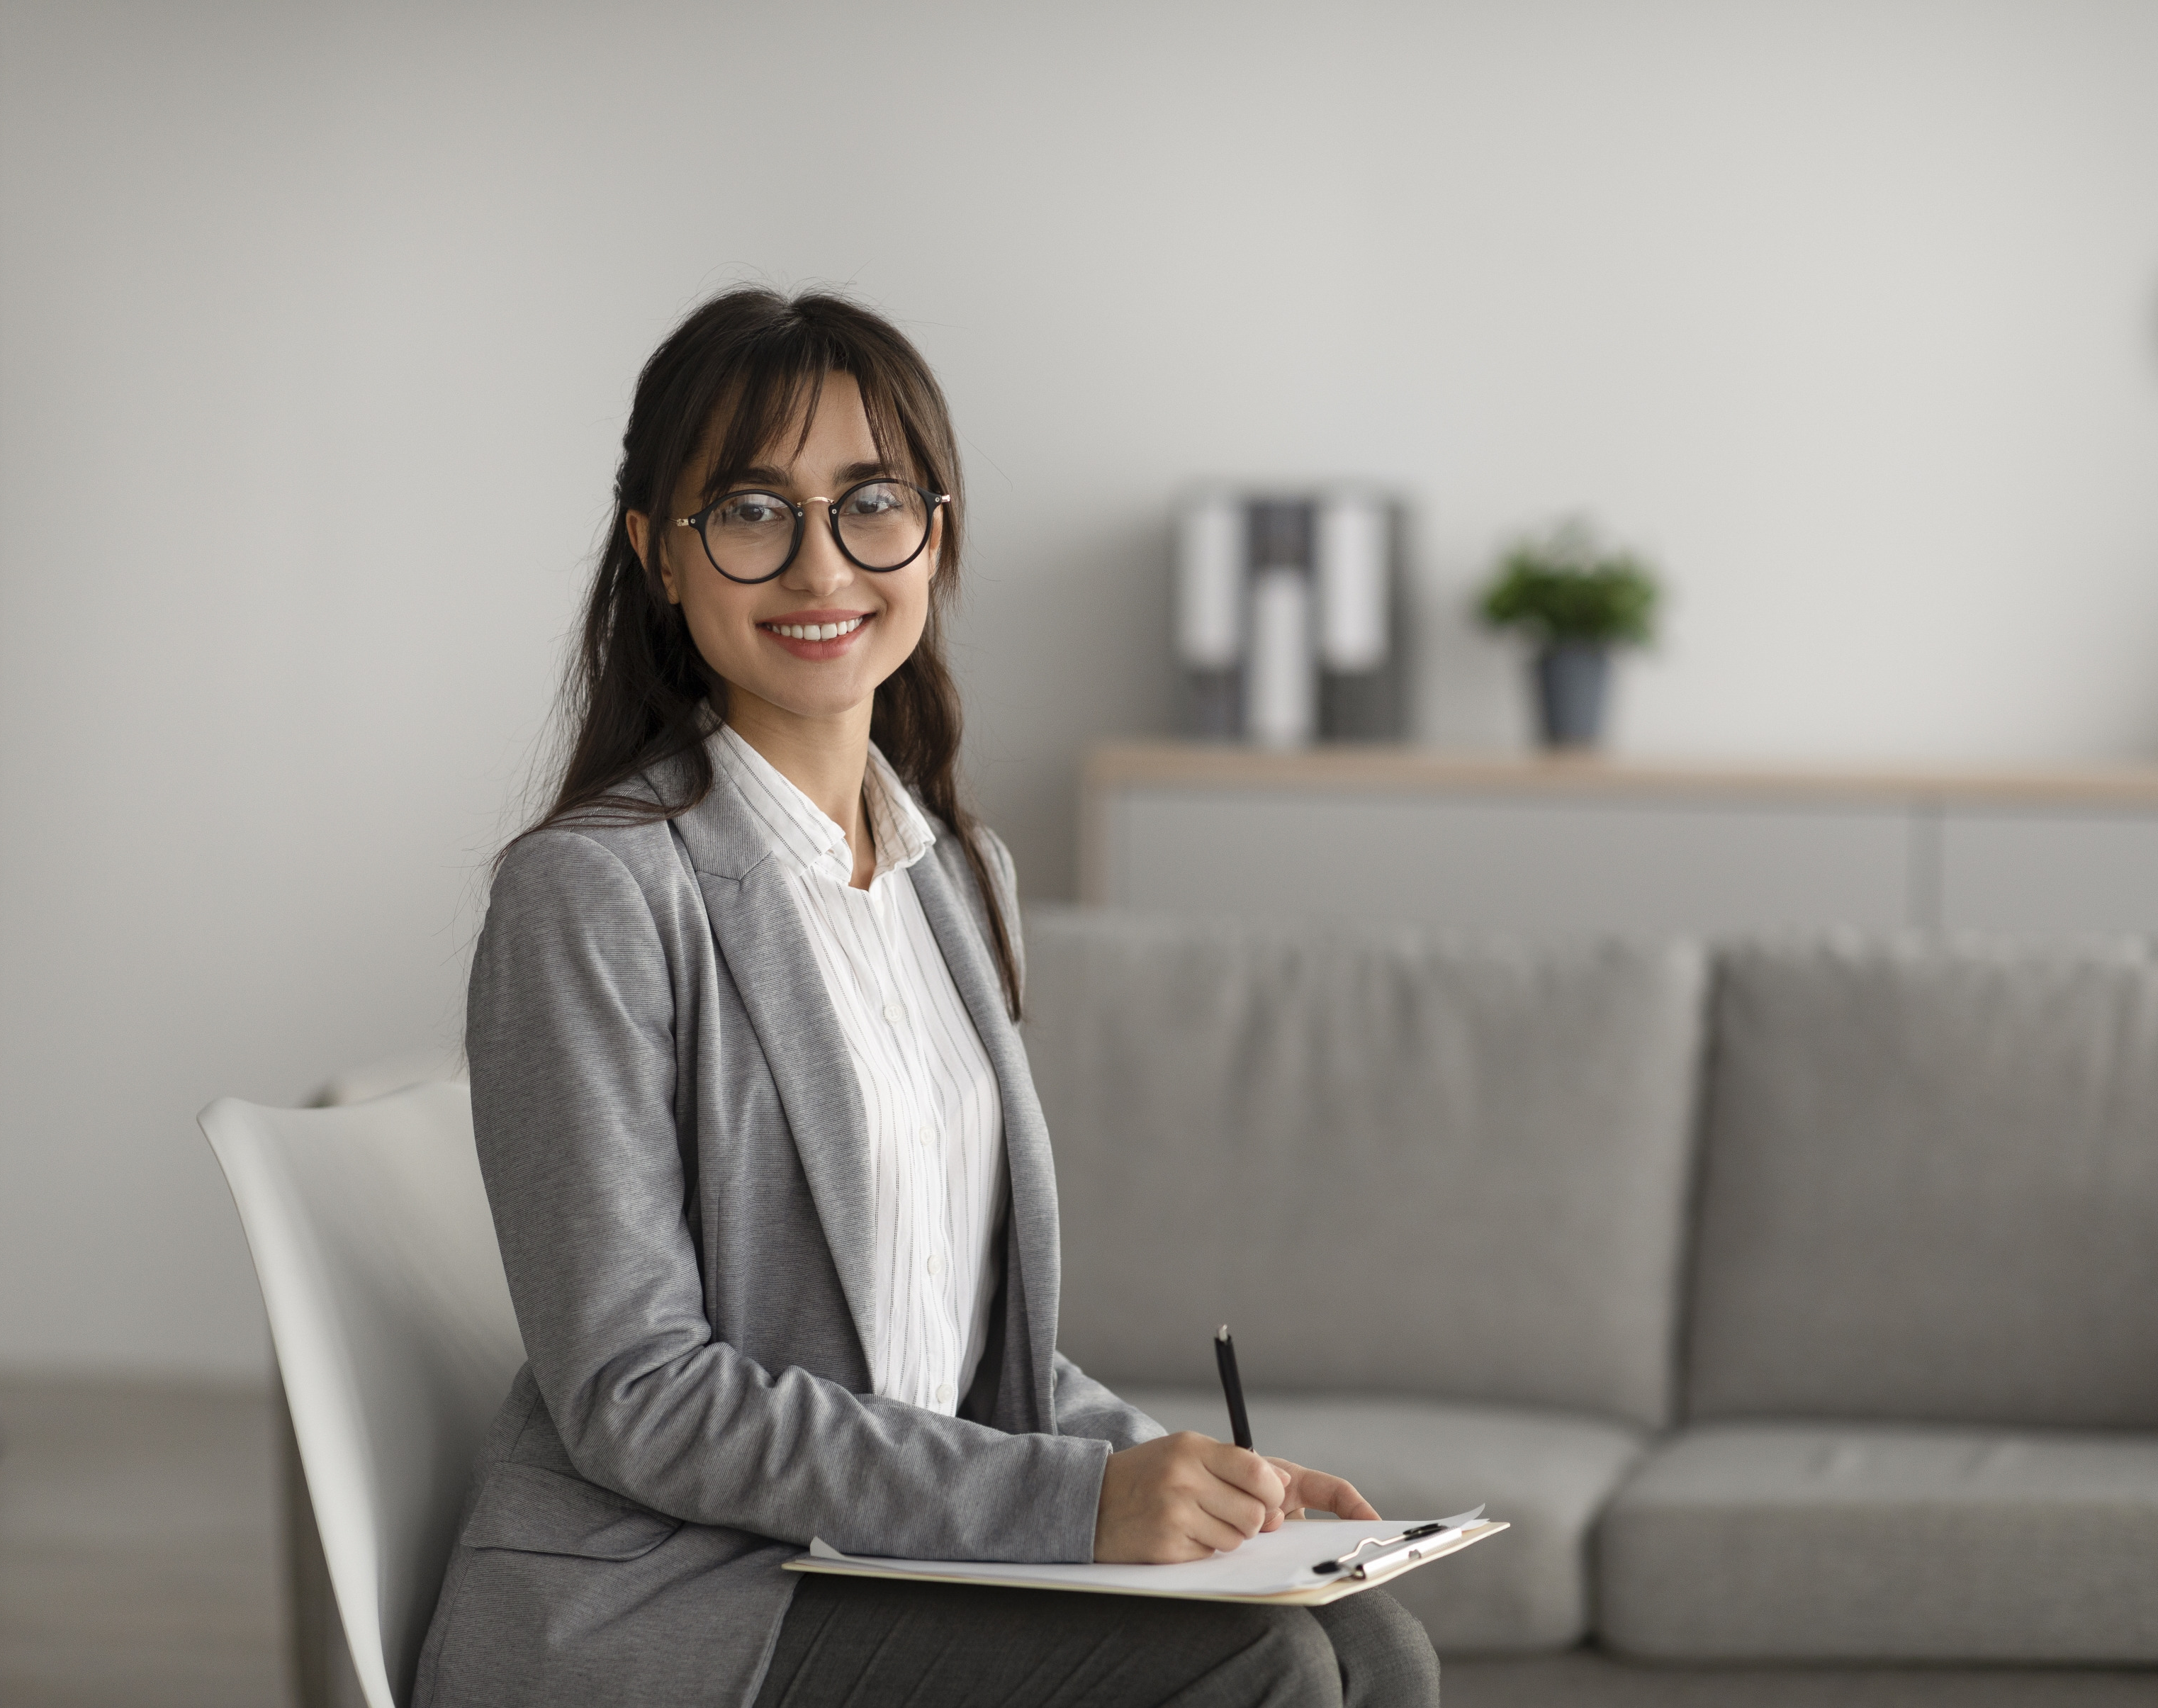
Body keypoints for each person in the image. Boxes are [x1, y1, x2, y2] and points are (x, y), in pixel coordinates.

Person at [414, 288, 1439, 1708]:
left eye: (870, 502)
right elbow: (633, 1391)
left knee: (1368, 1634)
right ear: (659, 550)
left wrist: (1212, 1494)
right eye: (752, 509)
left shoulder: (958, 872)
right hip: (681, 1592)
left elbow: (948, 1345)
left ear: (933, 532)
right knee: (1255, 1661)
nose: (820, 564)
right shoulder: (594, 890)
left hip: (880, 1553)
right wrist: (1076, 1505)